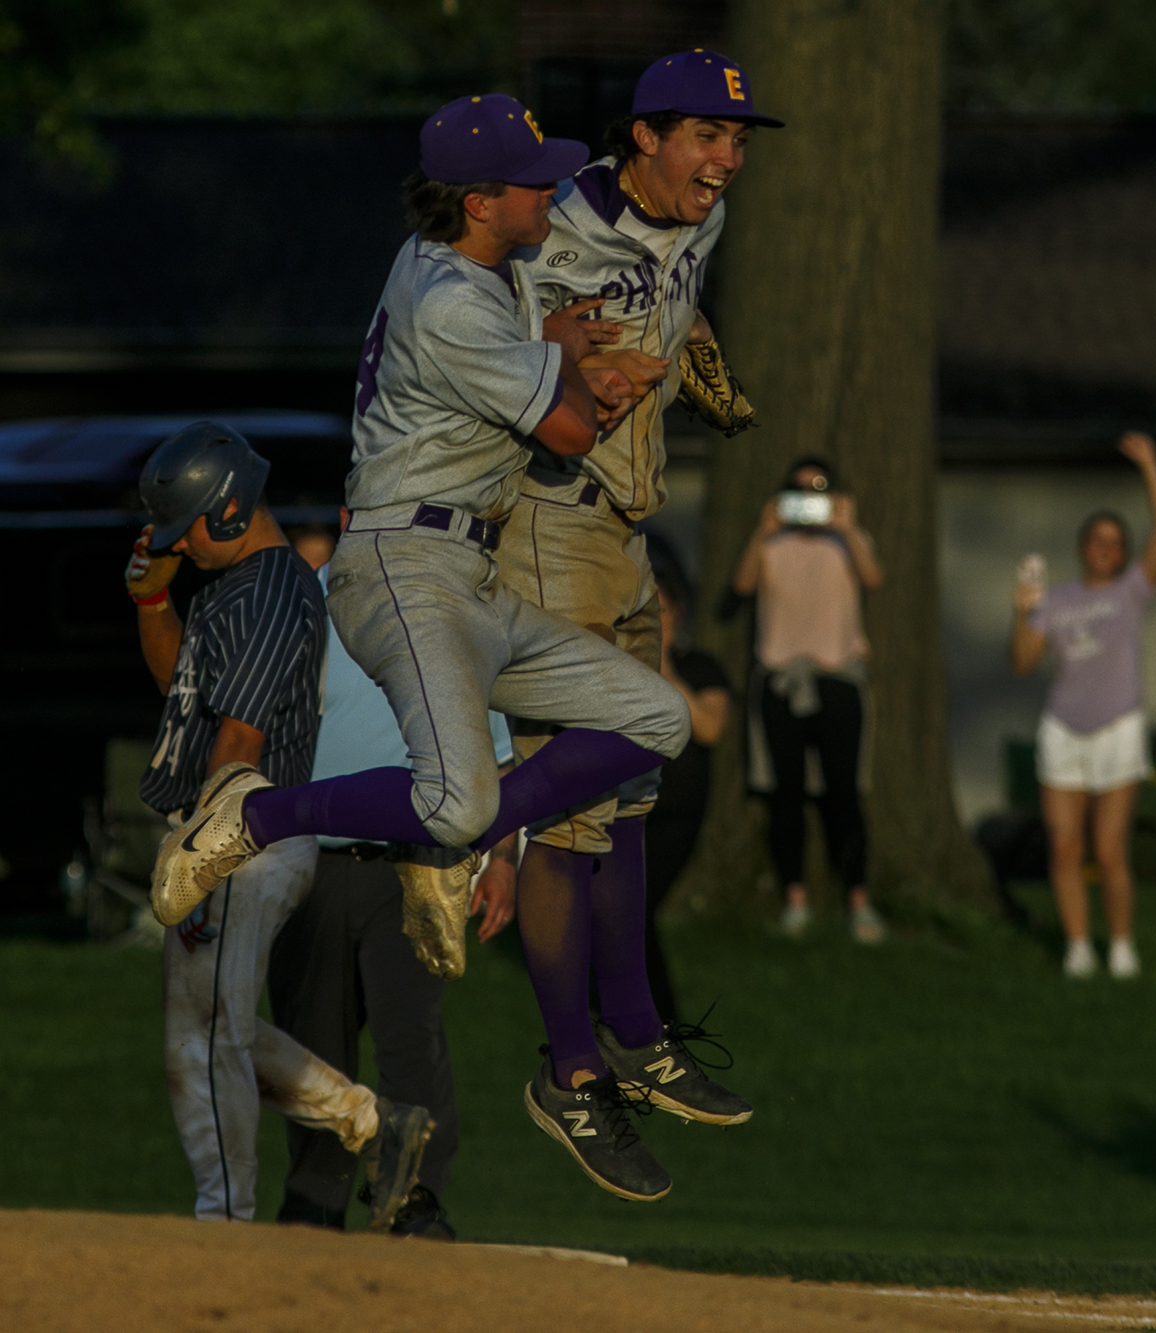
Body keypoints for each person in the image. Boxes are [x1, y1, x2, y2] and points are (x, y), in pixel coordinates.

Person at [146, 94, 715, 1204]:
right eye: (531, 182)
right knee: (453, 802)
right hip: (405, 569)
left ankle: (443, 844)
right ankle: (252, 816)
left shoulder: (457, 267)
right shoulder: (456, 295)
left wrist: (556, 343)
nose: (550, 192)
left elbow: (513, 361)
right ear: (477, 202)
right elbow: (562, 432)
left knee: (656, 721)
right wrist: (614, 381)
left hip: (468, 574)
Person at [495, 51, 766, 1136]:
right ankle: (570, 1073)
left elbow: (670, 300)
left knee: (635, 784)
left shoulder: (694, 221)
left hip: (626, 530)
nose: (728, 159)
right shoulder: (551, 226)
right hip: (547, 522)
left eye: (739, 141)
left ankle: (638, 1039)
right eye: (708, 136)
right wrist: (567, 362)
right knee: (569, 812)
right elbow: (487, 345)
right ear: (645, 135)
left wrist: (697, 346)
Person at [125, 424, 431, 1227]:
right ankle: (372, 1121)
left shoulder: (270, 589)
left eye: (187, 524)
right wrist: (152, 597)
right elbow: (179, 686)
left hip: (244, 832)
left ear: (228, 510)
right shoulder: (234, 584)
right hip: (228, 827)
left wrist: (206, 853)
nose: (177, 542)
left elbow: (241, 739)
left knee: (206, 1035)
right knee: (206, 1023)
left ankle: (224, 1219)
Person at [266, 514, 520, 1238]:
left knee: (412, 1039)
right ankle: (314, 1197)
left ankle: (414, 1200)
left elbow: (494, 758)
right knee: (312, 1043)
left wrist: (504, 858)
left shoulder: (452, 614)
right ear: (349, 518)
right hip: (307, 861)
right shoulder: (300, 609)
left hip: (415, 864)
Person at [1009, 432, 1156, 980]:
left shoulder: (1131, 591)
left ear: (1123, 554)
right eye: (1095, 540)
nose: (1104, 547)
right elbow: (1023, 662)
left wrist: (1150, 465)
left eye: (1114, 541)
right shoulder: (1055, 600)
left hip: (1118, 726)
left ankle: (1122, 946)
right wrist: (1022, 612)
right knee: (1065, 846)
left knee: (1108, 851)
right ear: (1082, 548)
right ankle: (1078, 947)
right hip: (1063, 728)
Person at [732, 456, 887, 944]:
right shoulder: (772, 544)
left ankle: (858, 900)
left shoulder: (849, 542)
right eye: (798, 491)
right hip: (781, 680)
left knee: (844, 794)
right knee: (787, 795)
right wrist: (762, 530)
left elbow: (874, 578)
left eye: (818, 491)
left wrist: (848, 526)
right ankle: (794, 899)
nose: (808, 500)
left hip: (838, 678)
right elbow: (742, 585)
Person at [641, 539, 733, 1022]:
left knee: (635, 911)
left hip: (675, 812)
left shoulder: (701, 668)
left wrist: (665, 669)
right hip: (625, 808)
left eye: (663, 609)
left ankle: (662, 1024)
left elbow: (711, 727)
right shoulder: (621, 673)